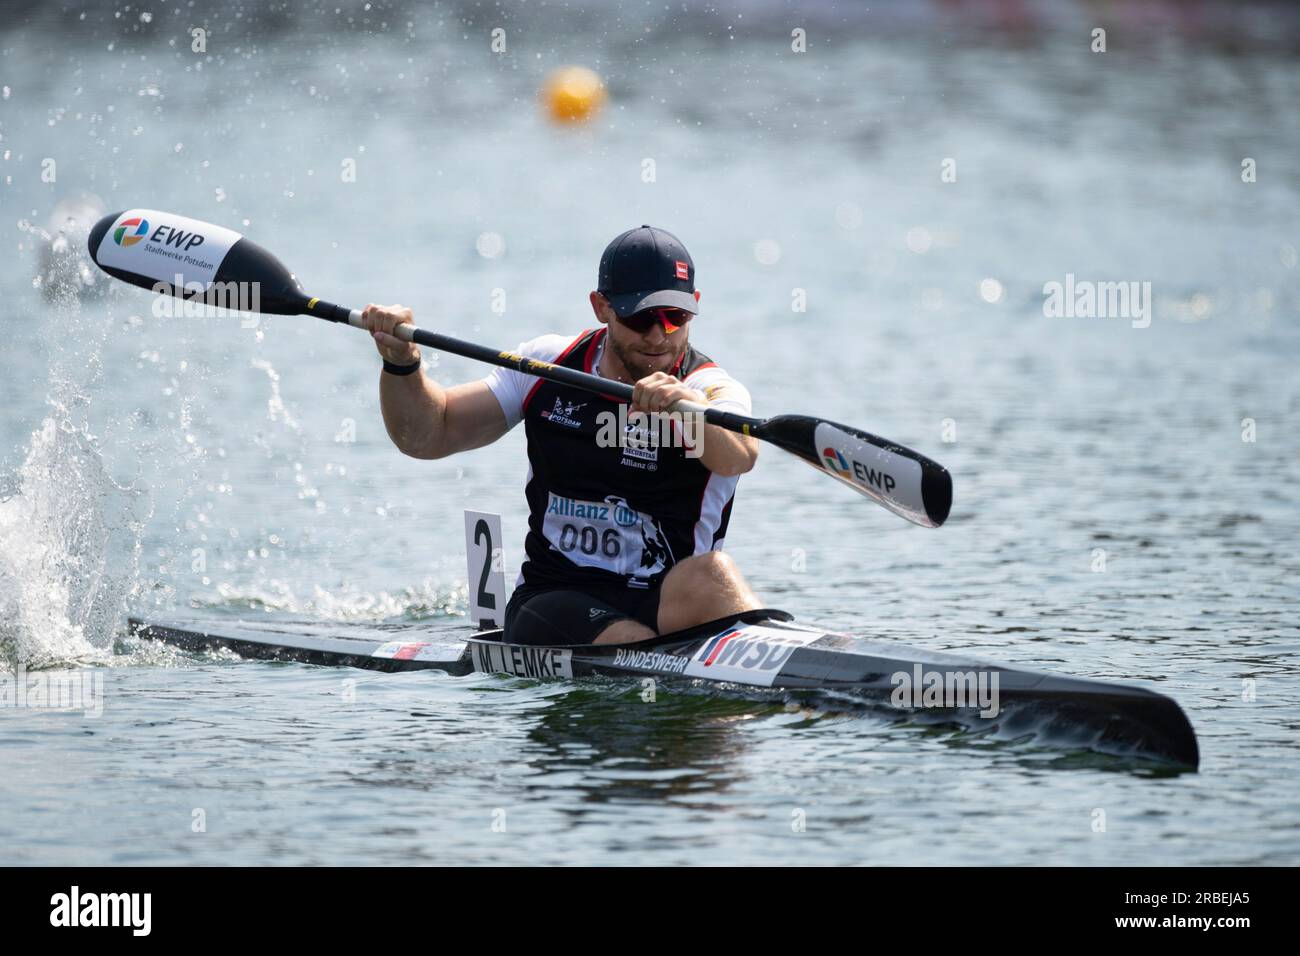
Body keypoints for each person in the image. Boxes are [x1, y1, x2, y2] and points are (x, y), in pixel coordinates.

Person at [366, 225, 762, 645]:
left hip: (665, 599)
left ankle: (771, 663)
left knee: (712, 573)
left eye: (675, 318)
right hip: (557, 595)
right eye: (640, 317)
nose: (658, 336)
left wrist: (687, 410)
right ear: (601, 306)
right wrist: (402, 363)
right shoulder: (548, 365)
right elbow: (428, 435)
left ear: (695, 306)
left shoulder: (710, 390)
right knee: (630, 641)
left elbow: (739, 455)